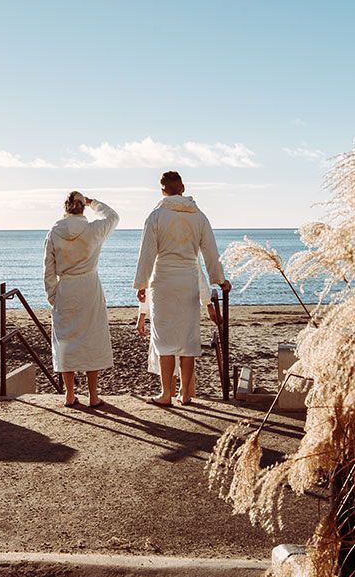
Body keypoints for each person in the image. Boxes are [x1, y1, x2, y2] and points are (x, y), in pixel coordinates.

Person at [133, 170, 231, 407]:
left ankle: (166, 394)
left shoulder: (156, 216)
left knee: (164, 338)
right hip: (188, 279)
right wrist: (219, 279)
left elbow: (147, 253)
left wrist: (141, 284)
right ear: (183, 188)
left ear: (162, 190)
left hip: (163, 280)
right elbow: (210, 252)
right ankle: (185, 394)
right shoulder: (199, 217)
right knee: (188, 339)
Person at [44, 191, 119, 408]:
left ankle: (69, 394)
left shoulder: (54, 233)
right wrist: (93, 203)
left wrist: (52, 294)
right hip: (89, 287)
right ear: (82, 207)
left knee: (66, 339)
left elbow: (48, 269)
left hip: (66, 287)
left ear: (65, 207)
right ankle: (93, 396)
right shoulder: (94, 230)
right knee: (90, 338)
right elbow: (113, 217)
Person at [136, 268, 218, 400]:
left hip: (165, 301)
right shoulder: (189, 249)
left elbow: (148, 273)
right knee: (186, 348)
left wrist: (142, 313)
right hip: (182, 299)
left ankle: (169, 394)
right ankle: (184, 394)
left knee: (168, 350)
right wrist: (208, 304)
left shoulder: (160, 250)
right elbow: (198, 273)